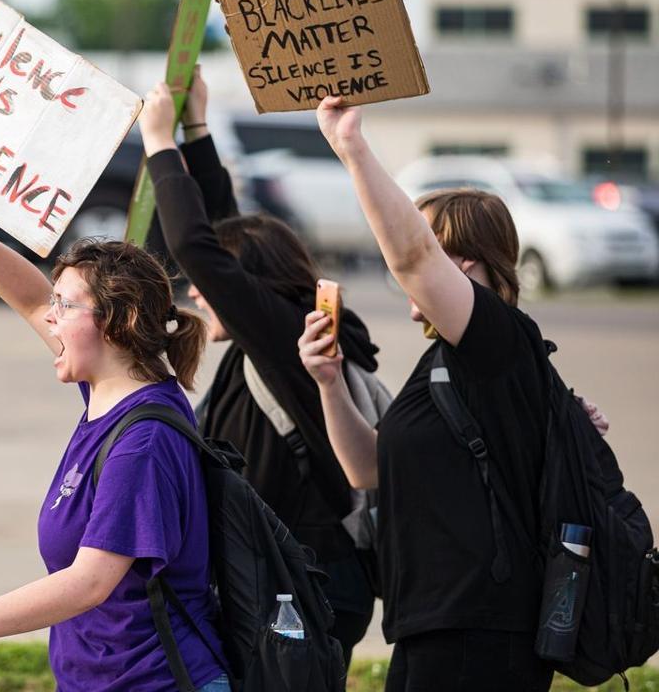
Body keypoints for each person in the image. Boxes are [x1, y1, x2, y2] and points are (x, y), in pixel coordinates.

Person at [0, 171, 229, 692]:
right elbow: (29, 298)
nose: (51, 317)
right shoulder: (116, 390)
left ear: (119, 322)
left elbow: (90, 582)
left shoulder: (142, 443)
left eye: (66, 306)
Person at [298, 96, 559, 691]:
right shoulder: (445, 360)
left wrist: (350, 146)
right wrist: (330, 383)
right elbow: (367, 469)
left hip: (482, 630)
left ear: (462, 266)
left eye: (430, 255)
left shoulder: (498, 341)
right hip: (431, 624)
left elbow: (413, 255)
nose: (406, 281)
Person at [140, 70, 378, 666]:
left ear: (250, 285)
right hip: (285, 578)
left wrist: (160, 144)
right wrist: (197, 127)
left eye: (210, 284)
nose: (196, 293)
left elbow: (200, 249)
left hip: (303, 585)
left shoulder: (288, 338)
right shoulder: (271, 340)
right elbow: (224, 233)